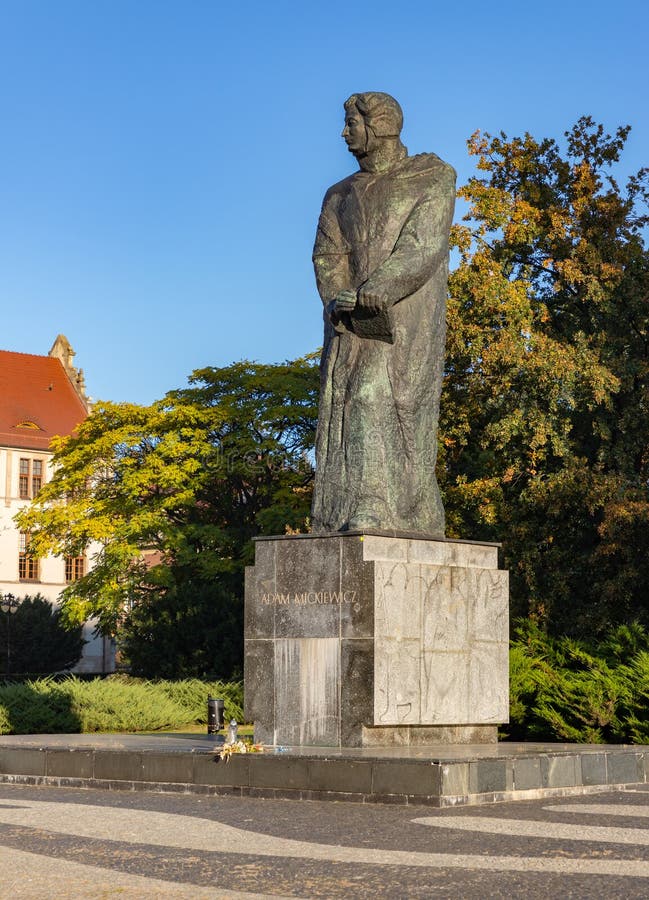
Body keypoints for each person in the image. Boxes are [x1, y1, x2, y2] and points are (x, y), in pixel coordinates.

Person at [311, 92, 455, 535]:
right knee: (345, 403)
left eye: (352, 123)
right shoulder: (339, 194)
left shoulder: (431, 177)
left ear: (380, 126)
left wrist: (378, 288)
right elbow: (327, 255)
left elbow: (424, 245)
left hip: (405, 320)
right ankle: (343, 510)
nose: (344, 132)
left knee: (382, 400)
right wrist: (338, 297)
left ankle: (381, 509)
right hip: (351, 322)